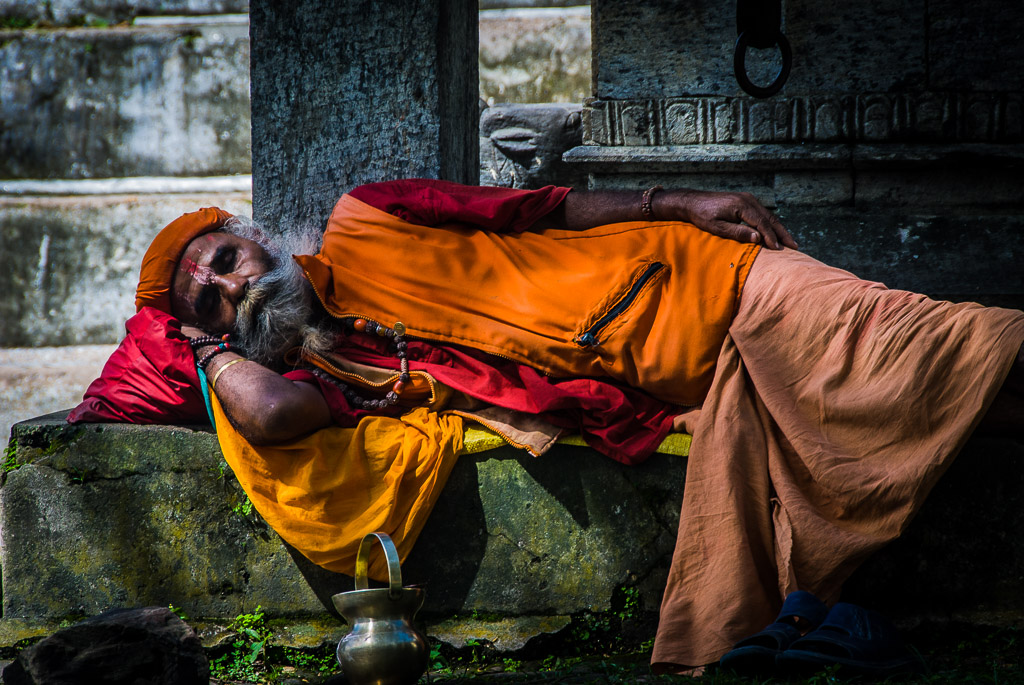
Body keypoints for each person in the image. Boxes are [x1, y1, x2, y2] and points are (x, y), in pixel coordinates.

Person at [79, 179, 1024, 673]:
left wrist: (681, 201)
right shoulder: (334, 371)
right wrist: (193, 342)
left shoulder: (365, 216)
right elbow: (179, 403)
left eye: (226, 257)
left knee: (933, 343)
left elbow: (541, 207)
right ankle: (826, 615)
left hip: (719, 283)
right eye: (213, 298)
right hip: (685, 383)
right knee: (799, 482)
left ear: (257, 233)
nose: (235, 282)